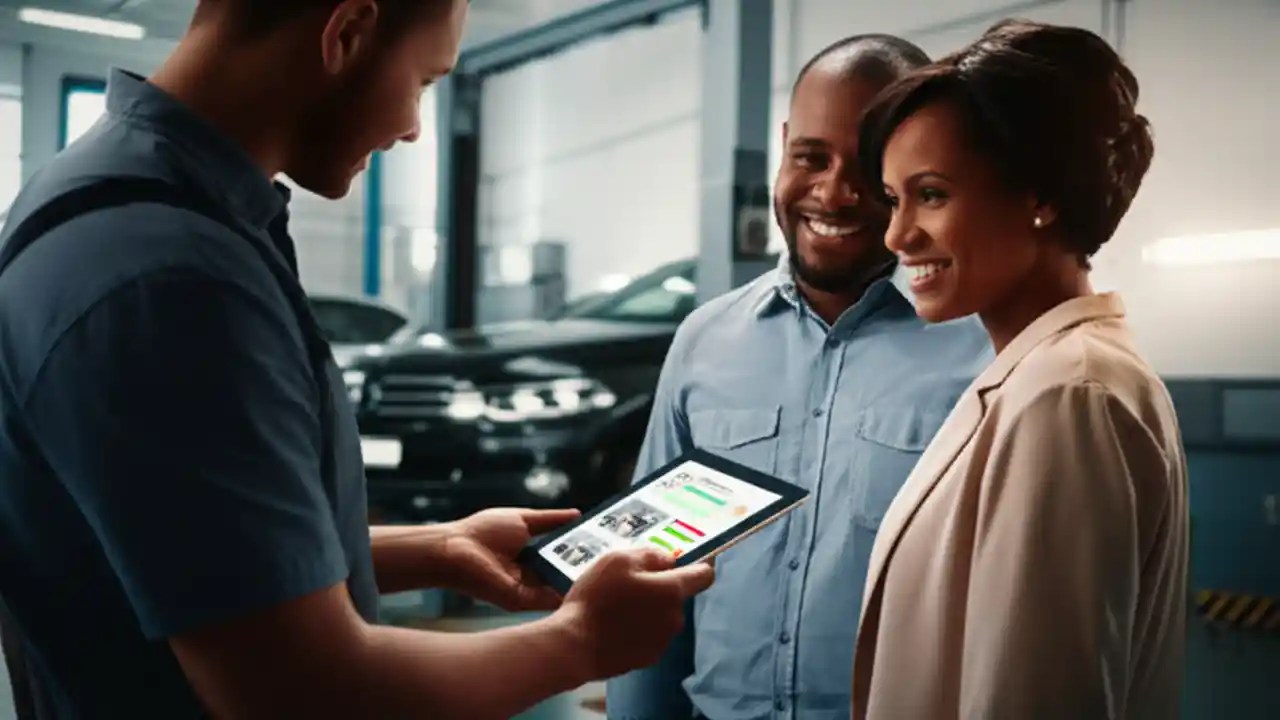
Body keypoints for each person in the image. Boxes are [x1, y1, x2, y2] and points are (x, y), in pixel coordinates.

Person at [0, 1, 713, 717]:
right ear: (346, 34)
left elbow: (198, 552)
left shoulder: (111, 200)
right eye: (423, 82)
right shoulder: (170, 276)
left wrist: (438, 548)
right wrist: (580, 642)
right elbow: (304, 690)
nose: (413, 127)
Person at [606, 35, 993, 720]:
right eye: (811, 157)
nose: (833, 193)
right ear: (784, 147)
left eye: (868, 167)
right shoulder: (704, 341)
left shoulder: (984, 354)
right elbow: (652, 570)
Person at [851, 19, 1187, 719]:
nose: (897, 235)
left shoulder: (1069, 395)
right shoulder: (1045, 373)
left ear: (1041, 196)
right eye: (894, 199)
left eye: (932, 194)